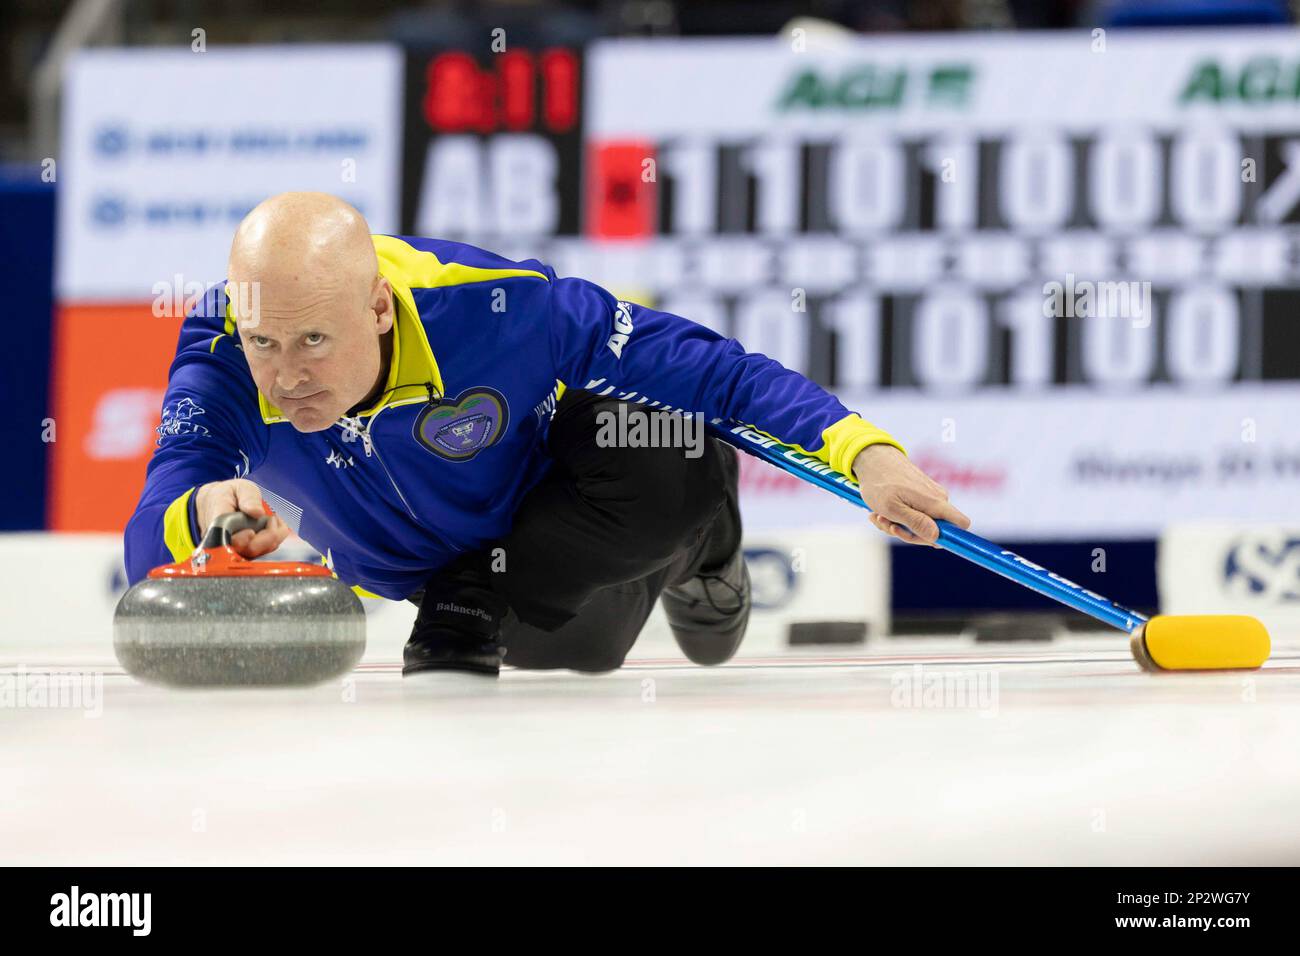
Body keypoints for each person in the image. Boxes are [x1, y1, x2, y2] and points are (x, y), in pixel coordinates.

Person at [123, 192, 970, 676]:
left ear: (379, 308)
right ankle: (492, 595)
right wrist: (201, 512)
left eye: (315, 341)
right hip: (439, 577)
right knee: (578, 655)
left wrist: (867, 452)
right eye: (266, 342)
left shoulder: (493, 306)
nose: (287, 375)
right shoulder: (224, 350)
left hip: (553, 498)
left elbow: (714, 372)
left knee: (673, 451)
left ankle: (707, 539)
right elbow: (149, 525)